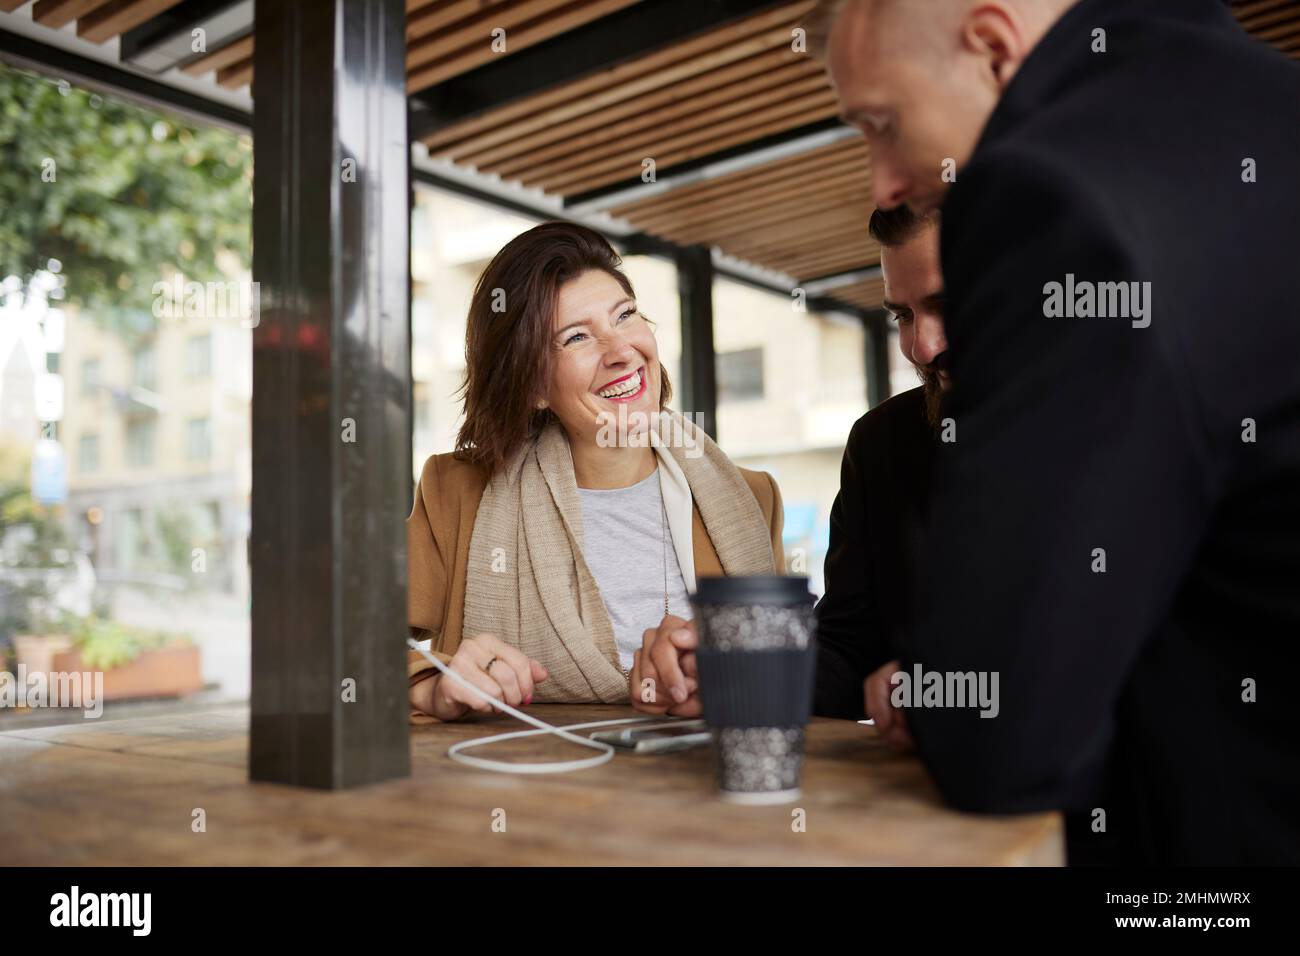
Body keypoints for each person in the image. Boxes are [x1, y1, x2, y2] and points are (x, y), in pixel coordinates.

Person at [807, 0, 1300, 863]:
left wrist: (942, 686)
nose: (880, 181)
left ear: (994, 49)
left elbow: (999, 732)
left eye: (880, 124)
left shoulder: (1052, 188)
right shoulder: (1255, 101)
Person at [407, 221, 785, 723]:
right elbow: (347, 650)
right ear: (533, 386)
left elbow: (785, 672)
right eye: (577, 336)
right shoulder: (457, 492)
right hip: (522, 785)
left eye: (625, 316)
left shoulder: (751, 498)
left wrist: (714, 675)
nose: (621, 351)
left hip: (701, 783)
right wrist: (430, 686)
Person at [814, 204, 946, 751]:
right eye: (904, 316)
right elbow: (846, 647)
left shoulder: (1136, 427)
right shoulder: (881, 443)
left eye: (946, 305)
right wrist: (736, 669)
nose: (922, 347)